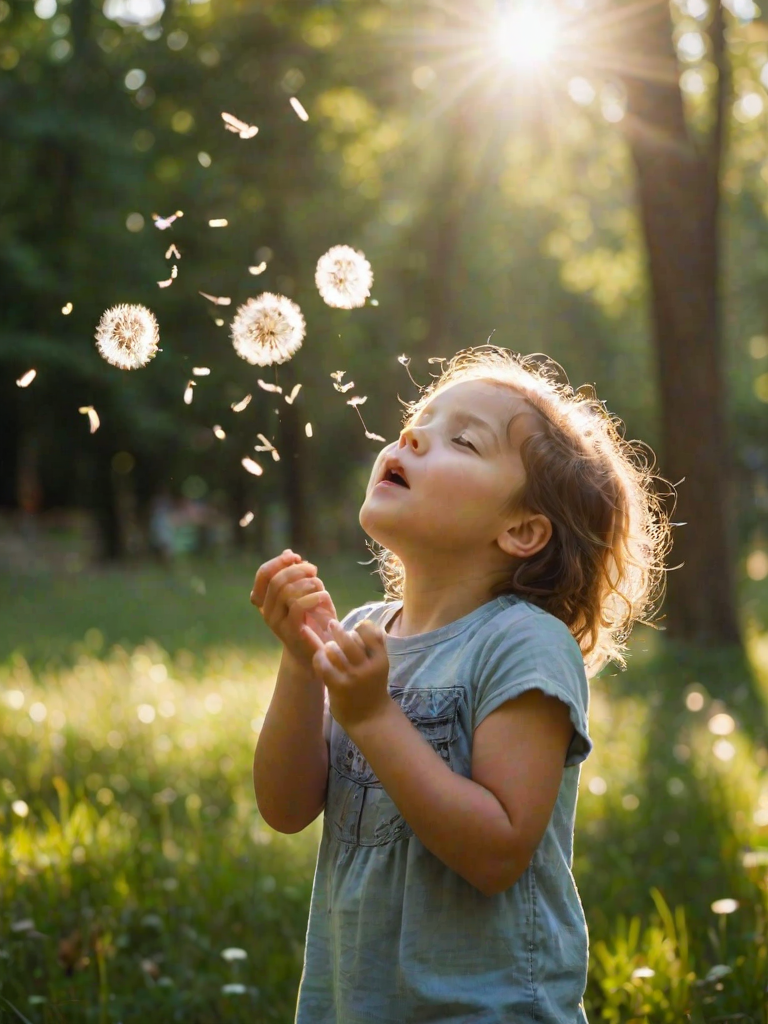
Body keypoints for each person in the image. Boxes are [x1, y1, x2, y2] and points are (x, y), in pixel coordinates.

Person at [251, 345, 673, 1024]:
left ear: (522, 530)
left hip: (487, 1007)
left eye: (463, 440)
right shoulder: (364, 630)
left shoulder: (523, 645)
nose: (412, 435)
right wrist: (301, 665)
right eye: (420, 419)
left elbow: (498, 851)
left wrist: (372, 717)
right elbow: (285, 807)